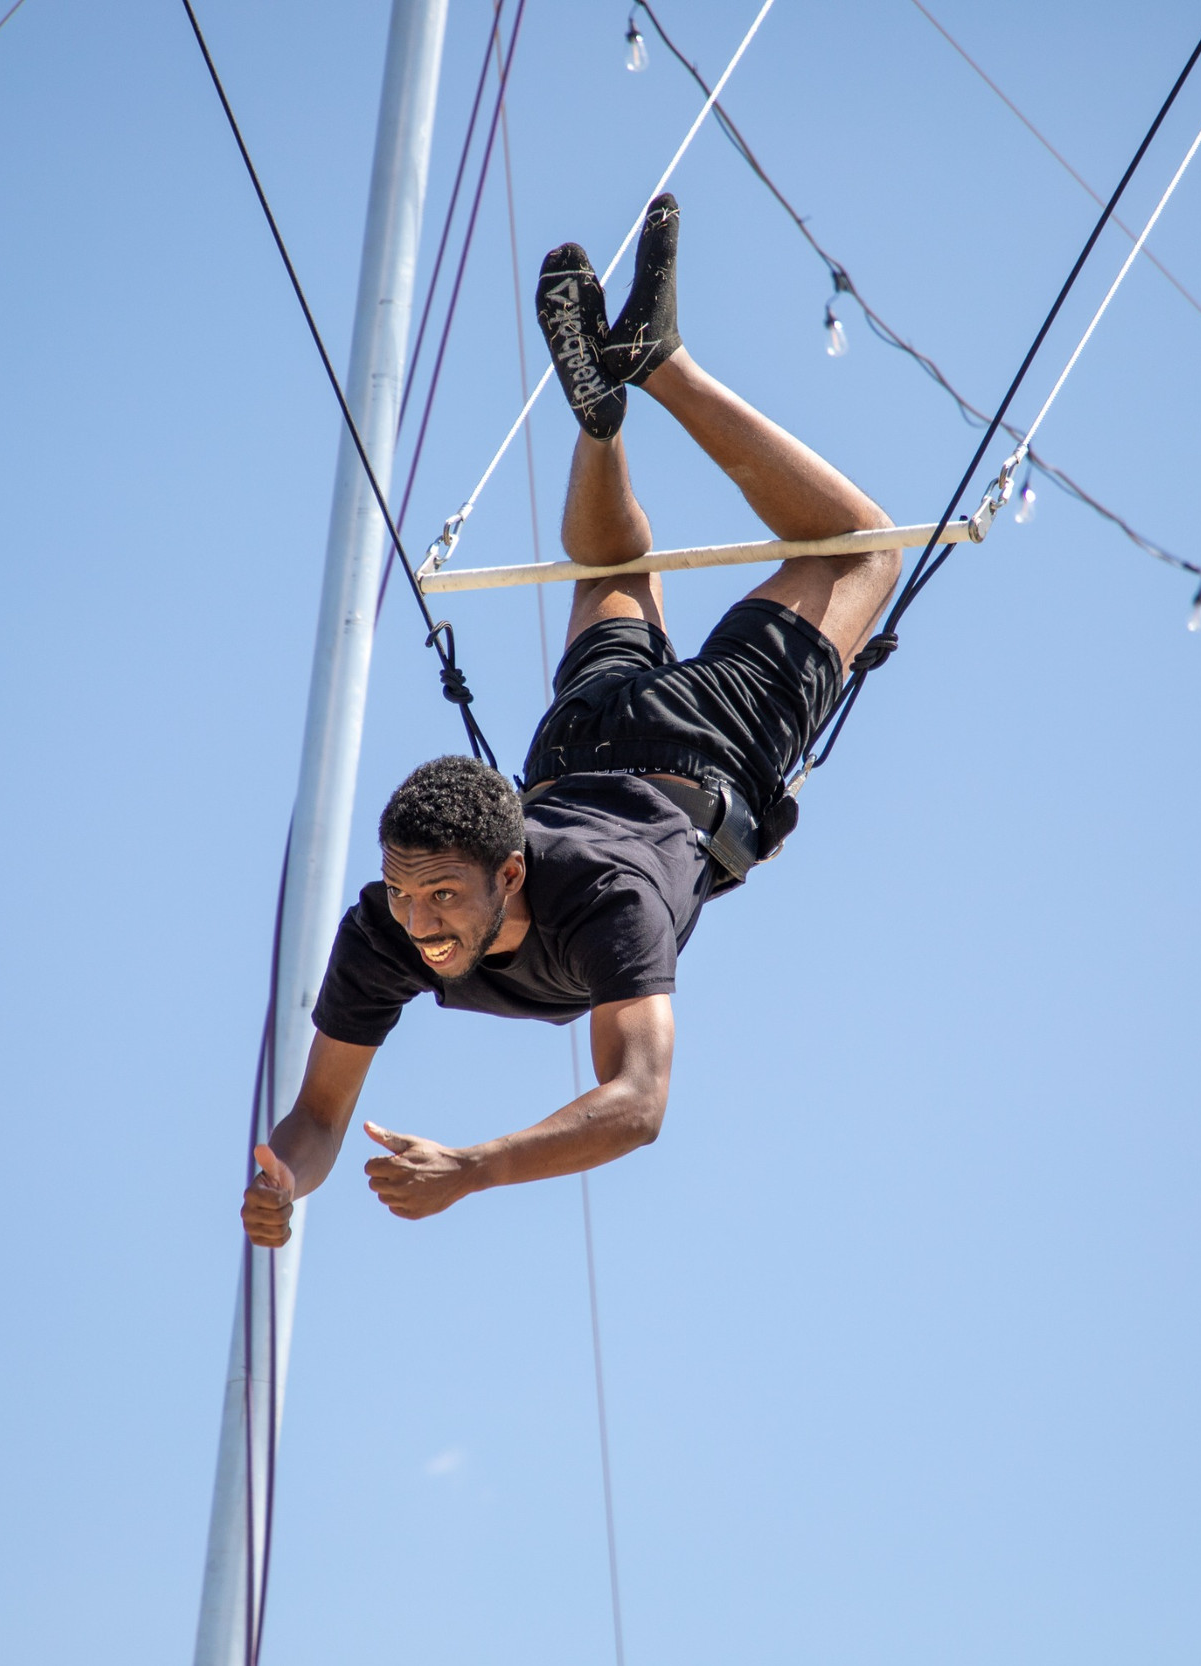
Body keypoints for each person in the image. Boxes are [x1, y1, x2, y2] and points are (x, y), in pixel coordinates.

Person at [242, 194, 906, 1248]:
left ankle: (662, 369)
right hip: (578, 742)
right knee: (609, 570)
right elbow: (318, 1117)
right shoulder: (382, 932)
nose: (420, 922)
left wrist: (474, 1168)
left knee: (863, 550)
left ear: (509, 875)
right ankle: (603, 421)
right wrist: (287, 1179)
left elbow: (639, 1101)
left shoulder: (610, 903)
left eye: (441, 897)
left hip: (695, 747)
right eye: (408, 893)